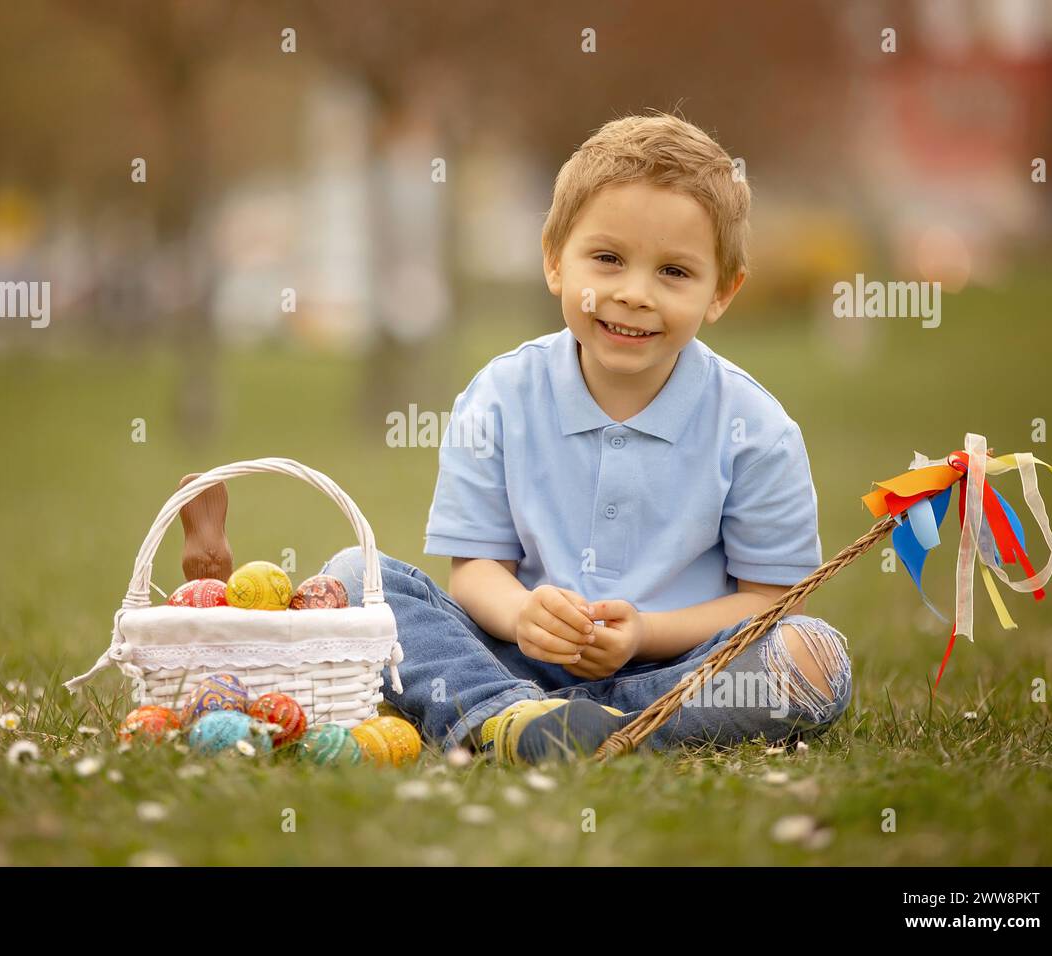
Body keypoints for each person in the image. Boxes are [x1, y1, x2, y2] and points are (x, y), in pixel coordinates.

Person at [188, 111, 853, 765]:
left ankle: (603, 726)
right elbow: (476, 572)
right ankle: (510, 714)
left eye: (674, 272)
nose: (634, 294)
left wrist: (646, 633)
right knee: (352, 578)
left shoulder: (754, 428)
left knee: (813, 659)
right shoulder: (500, 396)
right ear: (556, 264)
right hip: (514, 657)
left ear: (722, 292)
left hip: (678, 669)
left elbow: (768, 603)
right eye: (608, 259)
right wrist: (524, 614)